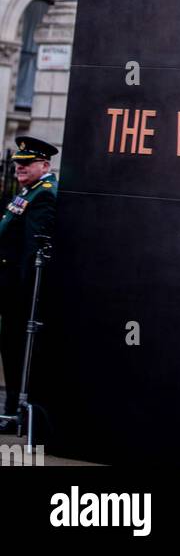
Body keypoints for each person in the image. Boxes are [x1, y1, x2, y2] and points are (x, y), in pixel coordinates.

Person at [0, 136, 58, 434]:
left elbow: (33, 250)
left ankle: (15, 412)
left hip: (20, 291)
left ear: (45, 165)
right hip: (10, 285)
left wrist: (23, 294)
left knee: (16, 349)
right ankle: (10, 409)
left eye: (26, 163)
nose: (19, 168)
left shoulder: (44, 194)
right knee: (9, 348)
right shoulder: (28, 192)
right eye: (17, 163)